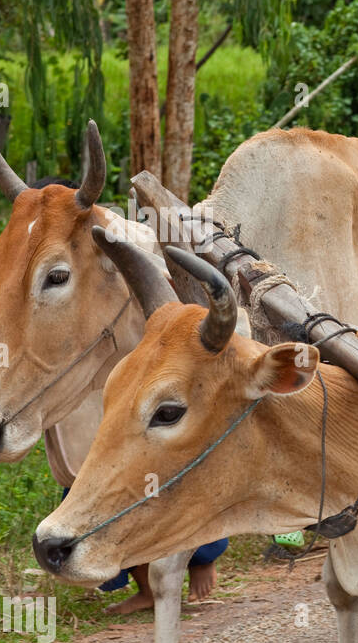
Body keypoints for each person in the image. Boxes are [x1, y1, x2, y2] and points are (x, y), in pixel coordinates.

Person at [34, 174, 226, 612]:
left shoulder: (123, 238)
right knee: (91, 472)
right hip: (83, 384)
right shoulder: (36, 257)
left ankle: (201, 561)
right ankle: (144, 583)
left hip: (141, 370)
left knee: (163, 465)